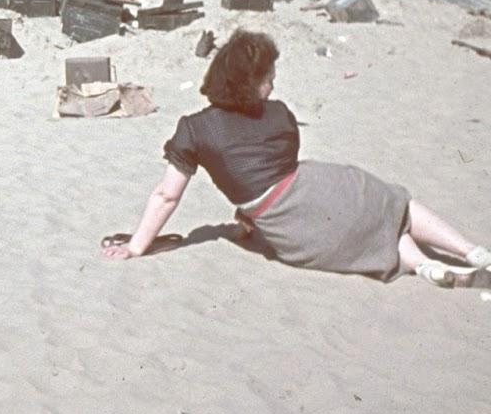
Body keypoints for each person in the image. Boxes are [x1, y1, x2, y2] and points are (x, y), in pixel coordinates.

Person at [101, 29, 490, 287]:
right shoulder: (279, 113)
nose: (274, 83)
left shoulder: (195, 128)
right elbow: (287, 159)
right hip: (320, 187)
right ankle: (471, 251)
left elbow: (167, 195)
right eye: (268, 76)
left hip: (289, 227)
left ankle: (423, 265)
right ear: (252, 83)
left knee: (379, 233)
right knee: (395, 205)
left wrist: (137, 245)